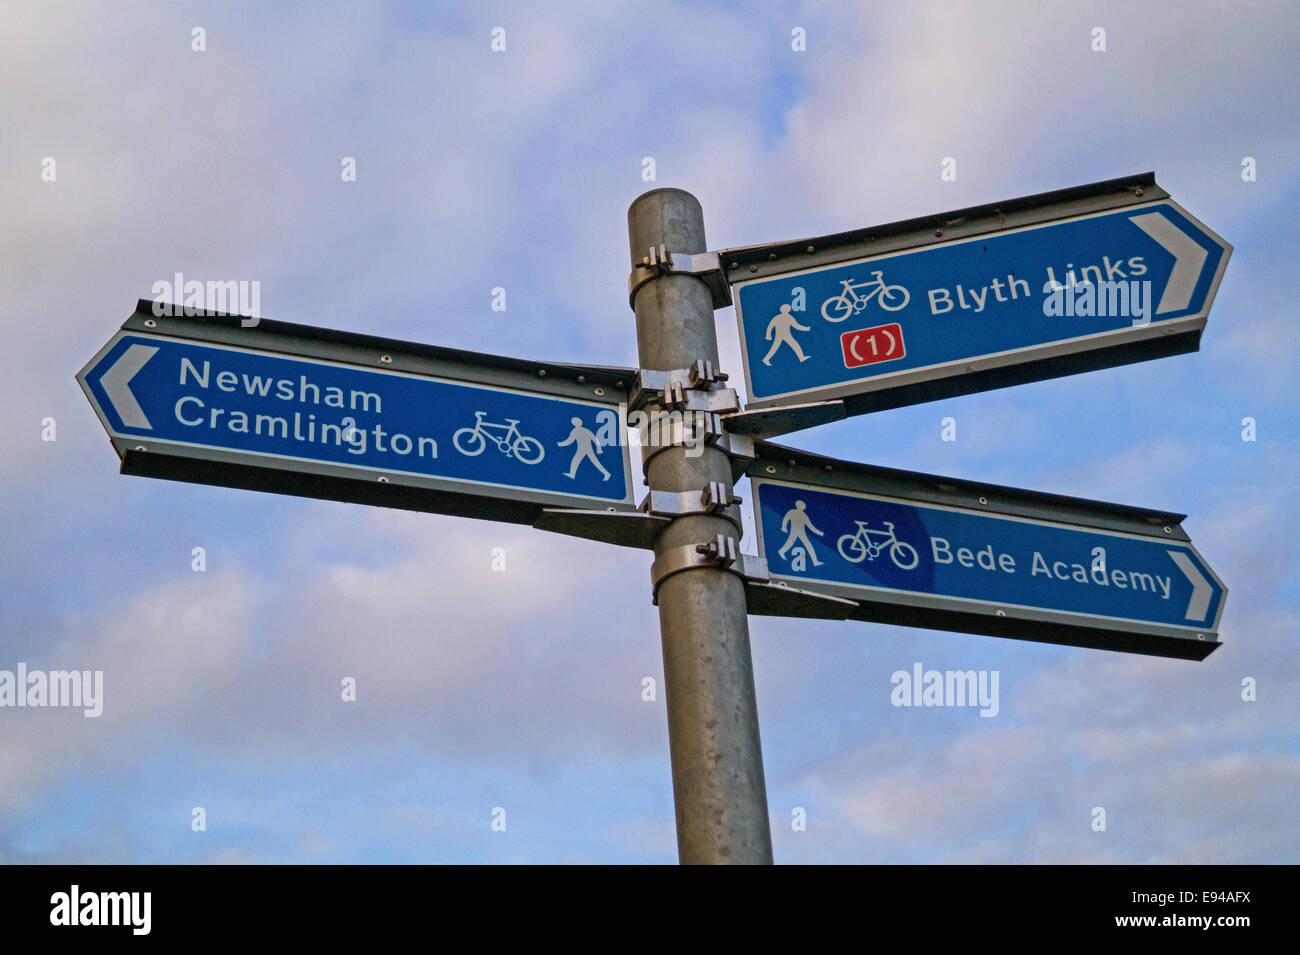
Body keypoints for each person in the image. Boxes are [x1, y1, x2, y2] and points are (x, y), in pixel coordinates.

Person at [778, 499, 823, 565]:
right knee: (791, 543)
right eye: (801, 505)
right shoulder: (792, 511)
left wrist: (819, 533)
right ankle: (781, 551)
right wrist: (784, 527)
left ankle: (815, 561)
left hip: (801, 532)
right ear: (798, 505)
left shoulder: (804, 515)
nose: (802, 507)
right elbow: (786, 518)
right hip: (794, 531)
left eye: (803, 506)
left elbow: (810, 526)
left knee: (807, 545)